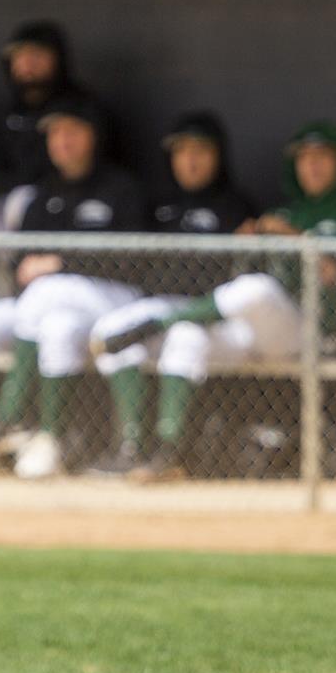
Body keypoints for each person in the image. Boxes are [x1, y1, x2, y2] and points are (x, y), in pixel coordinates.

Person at [87, 120, 336, 480]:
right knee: (188, 336)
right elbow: (247, 272)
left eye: (322, 157)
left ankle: (159, 323)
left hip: (311, 333)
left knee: (256, 290)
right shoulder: (284, 213)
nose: (312, 166)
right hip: (256, 331)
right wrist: (252, 243)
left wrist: (295, 239)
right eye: (304, 159)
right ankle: (168, 453)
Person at [0, 97, 146, 479]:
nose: (62, 141)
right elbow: (21, 265)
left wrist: (62, 264)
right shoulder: (43, 194)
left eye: (72, 132)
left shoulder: (122, 188)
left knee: (48, 293)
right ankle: (7, 442)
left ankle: (8, 419)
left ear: (94, 137)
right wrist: (45, 270)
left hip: (114, 300)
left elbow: (133, 263)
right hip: (51, 309)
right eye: (55, 133)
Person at [80, 111, 256, 481]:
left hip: (209, 317)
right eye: (181, 152)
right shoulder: (156, 205)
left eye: (200, 151)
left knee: (185, 337)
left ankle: (169, 452)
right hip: (157, 308)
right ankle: (131, 447)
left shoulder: (236, 206)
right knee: (113, 331)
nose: (190, 160)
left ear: (217, 156)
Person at [0, 20, 106, 307]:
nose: (27, 63)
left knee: (24, 199)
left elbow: (67, 173)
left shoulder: (82, 107)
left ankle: (25, 301)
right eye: (20, 56)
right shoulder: (8, 112)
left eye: (37, 55)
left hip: (62, 227)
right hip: (8, 228)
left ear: (57, 59)